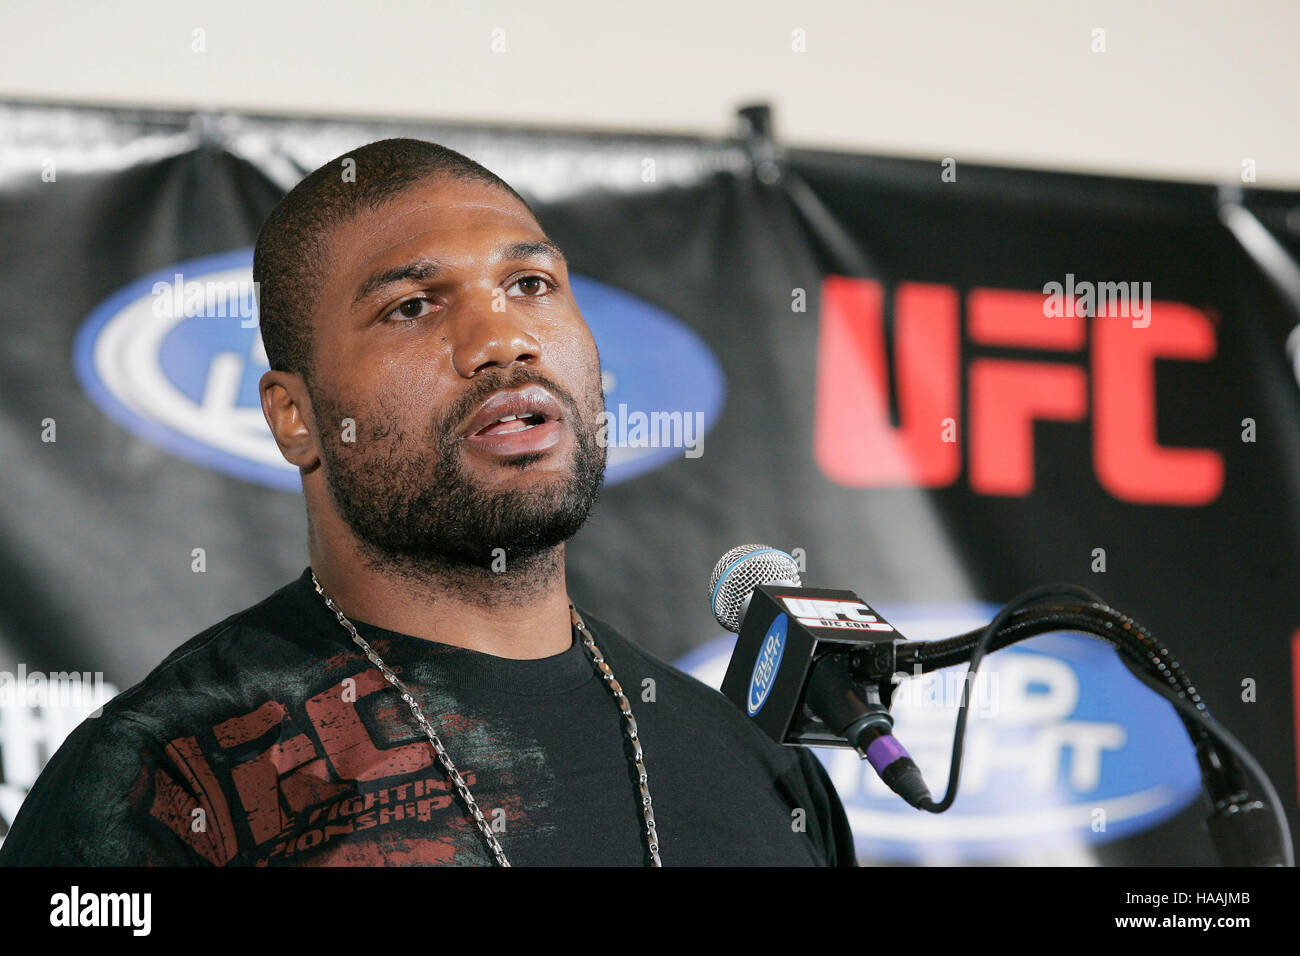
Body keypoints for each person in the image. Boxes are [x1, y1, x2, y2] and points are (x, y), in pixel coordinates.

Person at [0, 138, 857, 866]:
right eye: (412, 306)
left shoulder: (760, 775)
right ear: (295, 418)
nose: (502, 340)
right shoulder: (163, 777)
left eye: (530, 285)